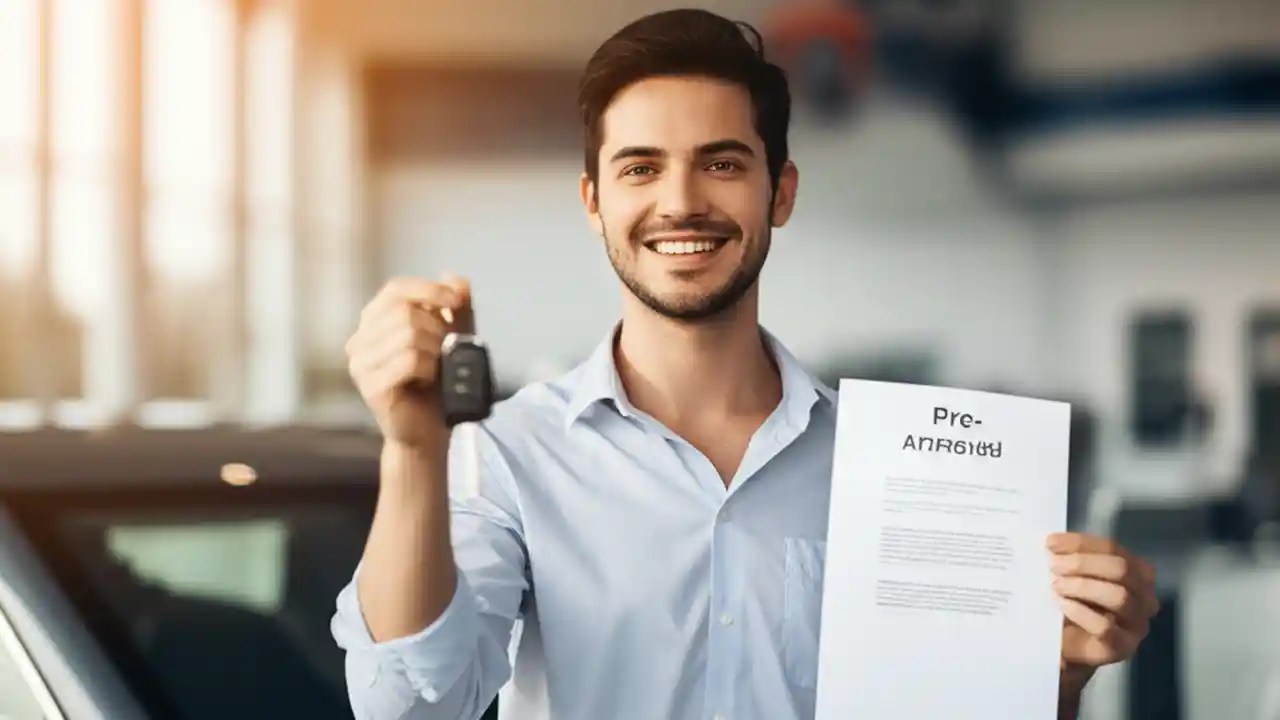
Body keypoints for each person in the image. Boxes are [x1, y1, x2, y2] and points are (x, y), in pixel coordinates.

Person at [330, 9, 1159, 720]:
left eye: (722, 163)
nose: (681, 200)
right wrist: (411, 449)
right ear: (594, 201)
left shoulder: (889, 466)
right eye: (640, 168)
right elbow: (410, 705)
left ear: (781, 192)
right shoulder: (508, 456)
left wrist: (1054, 671)